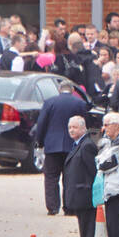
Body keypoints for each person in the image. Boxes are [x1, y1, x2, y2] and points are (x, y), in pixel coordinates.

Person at [32, 80, 88, 216]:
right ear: (72, 90)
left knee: (51, 177)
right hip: (72, 145)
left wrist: (39, 141)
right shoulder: (79, 103)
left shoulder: (49, 103)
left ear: (59, 89)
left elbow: (41, 123)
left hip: (52, 145)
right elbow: (85, 123)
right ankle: (69, 207)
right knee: (69, 177)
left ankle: (52, 207)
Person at [62, 117, 99, 237]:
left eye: (75, 127)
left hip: (84, 195)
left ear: (83, 129)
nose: (71, 130)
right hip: (78, 195)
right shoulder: (78, 145)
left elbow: (93, 171)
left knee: (88, 230)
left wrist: (87, 189)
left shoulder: (87, 146)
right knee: (84, 230)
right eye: (70, 127)